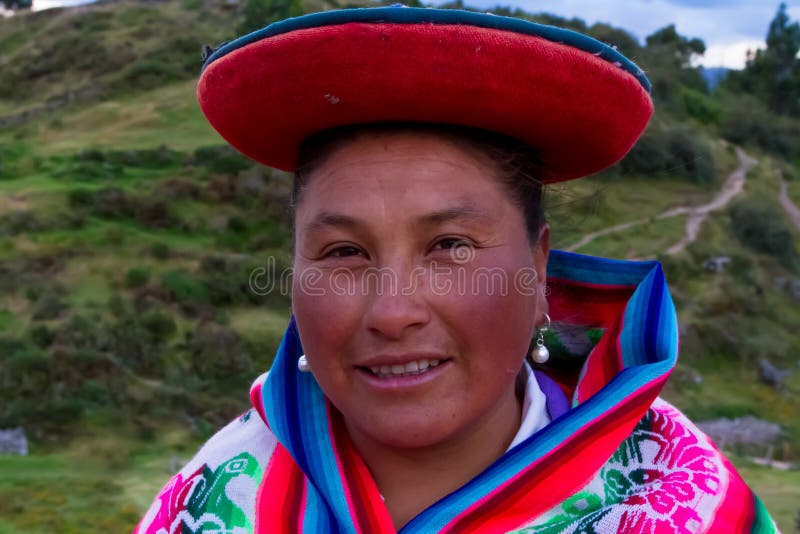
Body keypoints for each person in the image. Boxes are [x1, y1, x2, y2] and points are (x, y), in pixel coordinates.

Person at [135, 5, 778, 533]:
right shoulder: (209, 505)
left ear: (537, 269)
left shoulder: (685, 506)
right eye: (344, 252)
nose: (392, 313)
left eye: (449, 246)